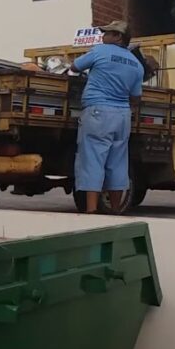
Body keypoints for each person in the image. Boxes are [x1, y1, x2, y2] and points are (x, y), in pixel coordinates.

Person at [69, 20, 144, 214]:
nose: (103, 36)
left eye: (108, 33)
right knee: (118, 162)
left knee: (93, 158)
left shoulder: (100, 51)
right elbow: (136, 97)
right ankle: (115, 210)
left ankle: (91, 209)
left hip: (98, 112)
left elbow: (75, 67)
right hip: (122, 115)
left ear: (118, 37)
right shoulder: (136, 64)